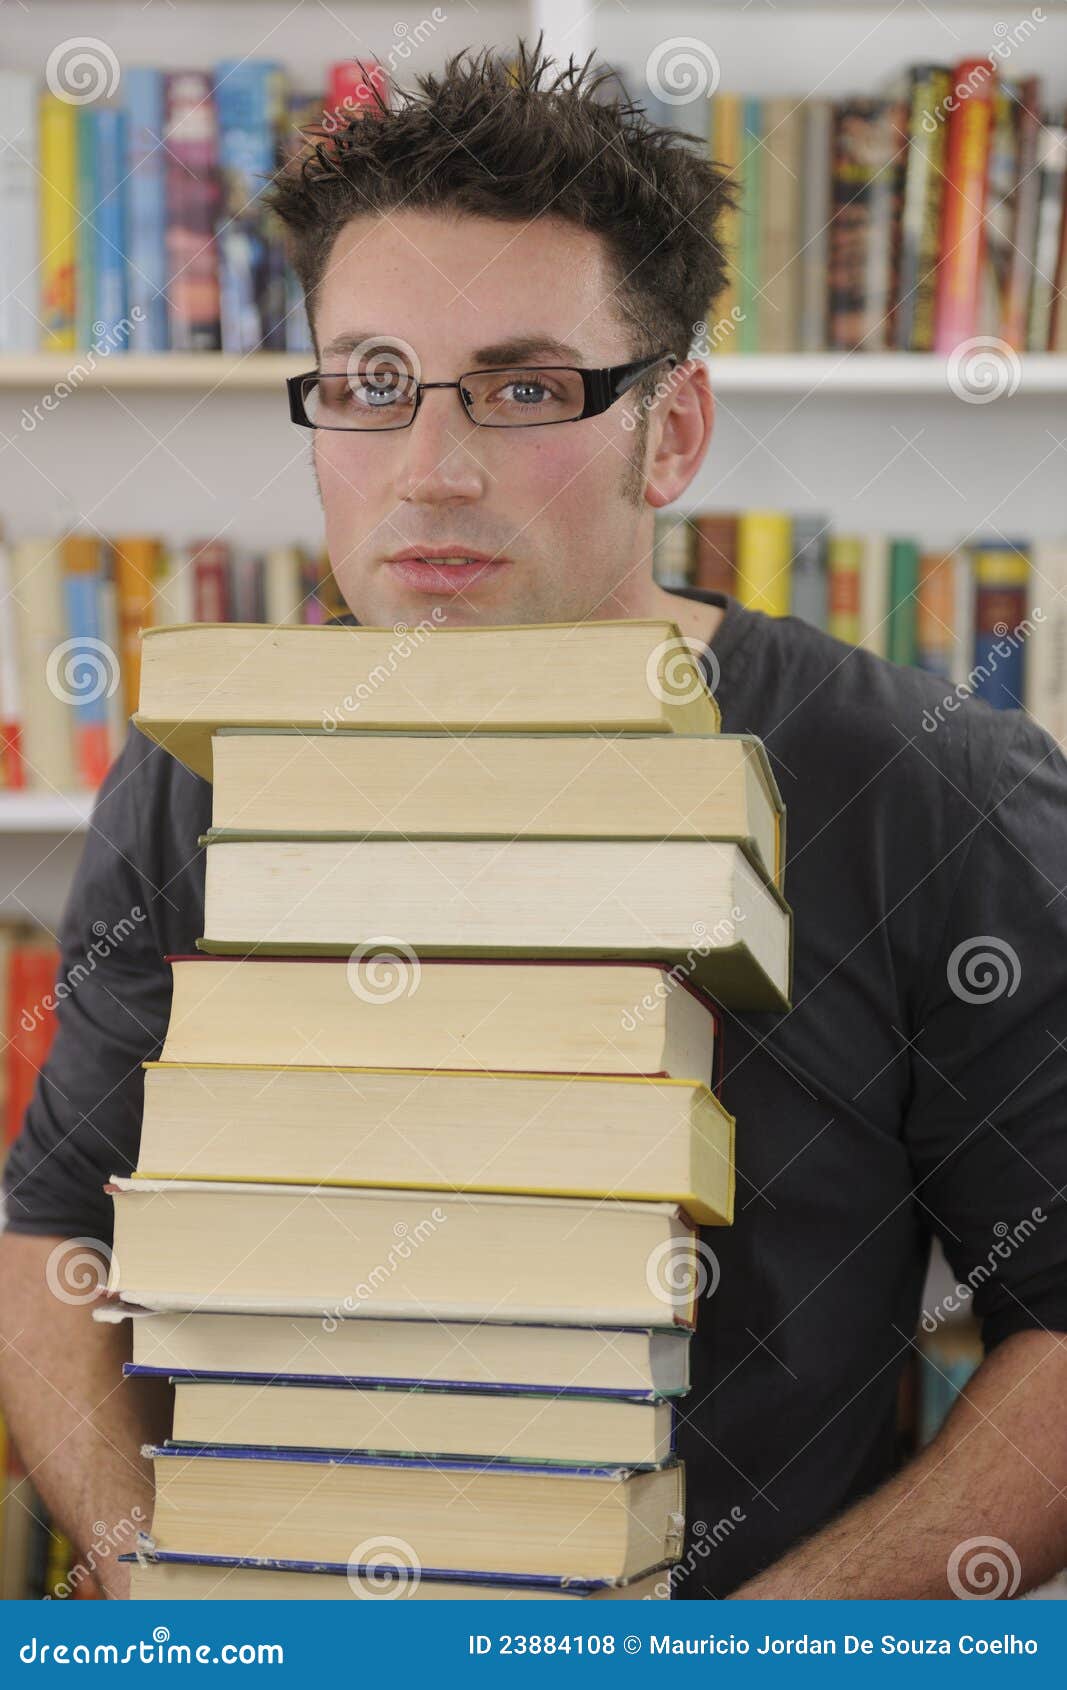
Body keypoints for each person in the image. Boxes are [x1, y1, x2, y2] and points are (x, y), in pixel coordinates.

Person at [2, 37, 1066, 1602]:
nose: (431, 471)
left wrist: (747, 1656)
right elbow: (49, 1235)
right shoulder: (199, 769)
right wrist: (151, 1577)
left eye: (523, 388)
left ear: (672, 432)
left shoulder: (926, 782)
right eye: (371, 384)